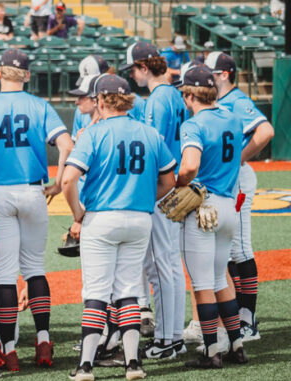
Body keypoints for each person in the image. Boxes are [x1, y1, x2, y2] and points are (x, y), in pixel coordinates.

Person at [62, 74, 177, 381]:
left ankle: (85, 366)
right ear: (129, 100)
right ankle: (133, 363)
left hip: (102, 218)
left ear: (100, 100)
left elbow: (67, 179)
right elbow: (169, 180)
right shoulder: (149, 133)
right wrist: (139, 198)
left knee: (96, 293)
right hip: (139, 218)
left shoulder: (94, 133)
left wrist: (78, 213)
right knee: (128, 292)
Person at [0, 49, 73, 372]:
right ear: (26, 75)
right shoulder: (40, 106)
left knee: (4, 274)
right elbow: (66, 145)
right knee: (35, 269)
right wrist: (59, 182)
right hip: (33, 189)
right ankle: (43, 341)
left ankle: (9, 349)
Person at [175, 64, 247, 368]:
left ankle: (211, 351)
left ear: (191, 94)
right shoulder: (233, 116)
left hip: (204, 207)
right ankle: (237, 345)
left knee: (202, 282)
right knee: (220, 277)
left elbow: (190, 166)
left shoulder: (194, 124)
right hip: (229, 206)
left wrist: (178, 183)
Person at [121, 41, 189, 359]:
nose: (132, 75)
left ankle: (166, 340)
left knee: (161, 266)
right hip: (174, 187)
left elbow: (153, 150)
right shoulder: (174, 94)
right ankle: (174, 334)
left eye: (134, 68)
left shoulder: (158, 99)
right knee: (171, 265)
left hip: (162, 189)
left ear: (145, 67)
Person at [205, 52, 274, 342]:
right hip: (226, 182)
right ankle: (235, 317)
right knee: (229, 250)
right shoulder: (221, 102)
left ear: (223, 74)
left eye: (210, 72)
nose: (207, 76)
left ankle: (249, 320)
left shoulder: (237, 100)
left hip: (239, 181)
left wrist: (240, 159)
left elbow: (266, 130)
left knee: (241, 248)